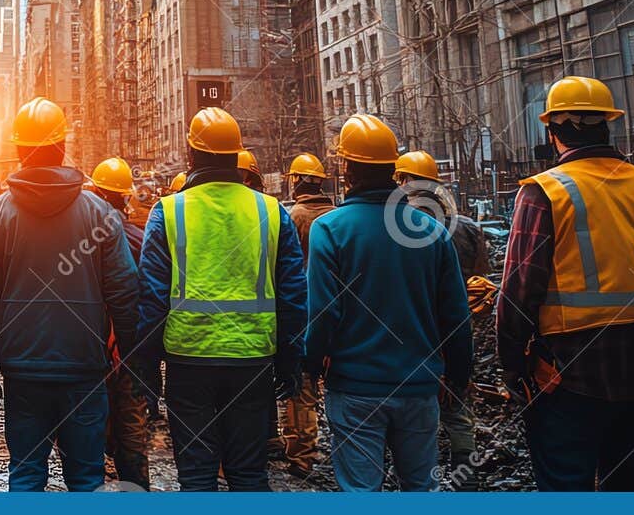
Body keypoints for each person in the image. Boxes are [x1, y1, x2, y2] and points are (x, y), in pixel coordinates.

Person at [498, 76, 634, 491]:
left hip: (569, 373)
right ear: (607, 125)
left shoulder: (545, 193)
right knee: (631, 487)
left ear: (552, 131)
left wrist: (515, 371)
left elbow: (519, 291)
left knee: (566, 489)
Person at [0, 98, 137, 492]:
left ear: (19, 151)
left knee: (26, 474)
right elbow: (125, 291)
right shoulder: (100, 214)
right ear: (62, 146)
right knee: (86, 478)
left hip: (22, 370)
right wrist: (130, 355)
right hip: (85, 367)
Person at [136, 109, 306, 491]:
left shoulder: (168, 212)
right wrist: (291, 359)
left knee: (197, 475)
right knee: (249, 474)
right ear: (237, 156)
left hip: (189, 362)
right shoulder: (270, 210)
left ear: (191, 155)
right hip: (252, 360)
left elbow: (151, 297)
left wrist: (146, 367)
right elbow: (294, 295)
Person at [304, 115, 472, 492]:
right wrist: (458, 374)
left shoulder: (330, 229)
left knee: (362, 496)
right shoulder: (430, 231)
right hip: (418, 386)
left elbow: (324, 312)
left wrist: (311, 366)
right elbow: (455, 314)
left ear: (345, 167)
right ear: (393, 169)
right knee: (419, 489)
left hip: (355, 388)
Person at [394, 148, 489, 488]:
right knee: (458, 401)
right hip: (458, 327)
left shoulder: (397, 226)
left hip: (414, 330)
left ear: (403, 181)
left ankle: (417, 471)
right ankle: (464, 469)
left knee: (414, 404)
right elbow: (481, 284)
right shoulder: (467, 227)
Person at [88, 157, 150, 490]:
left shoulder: (82, 240)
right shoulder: (139, 238)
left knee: (89, 425)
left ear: (95, 192)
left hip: (91, 347)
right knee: (131, 424)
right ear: (125, 197)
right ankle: (136, 488)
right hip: (128, 347)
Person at [276, 152, 333, 476]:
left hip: (305, 314)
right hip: (339, 316)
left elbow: (285, 270)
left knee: (301, 389)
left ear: (296, 182)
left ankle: (302, 453)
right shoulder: (336, 216)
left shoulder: (294, 216)